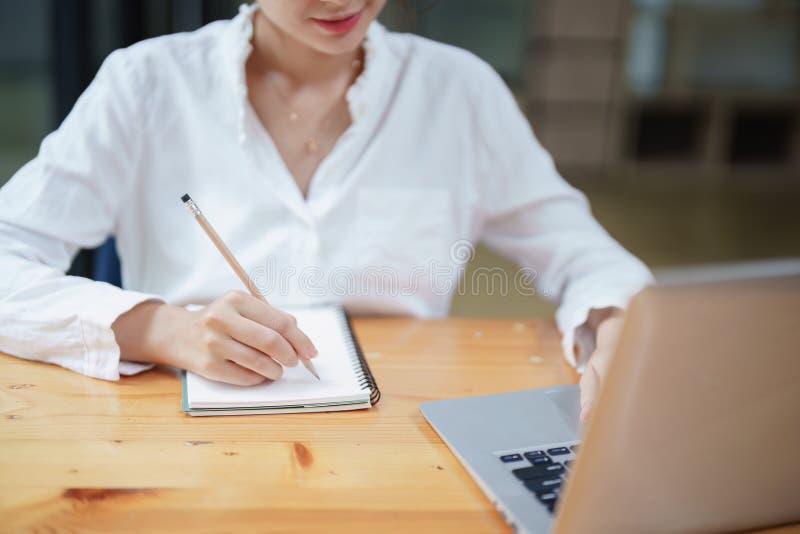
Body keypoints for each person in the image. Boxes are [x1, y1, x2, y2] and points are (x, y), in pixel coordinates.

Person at [0, 1, 652, 421]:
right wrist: (162, 330)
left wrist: (621, 329)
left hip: (405, 432)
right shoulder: (146, 85)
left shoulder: (460, 92)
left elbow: (584, 255)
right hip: (182, 434)